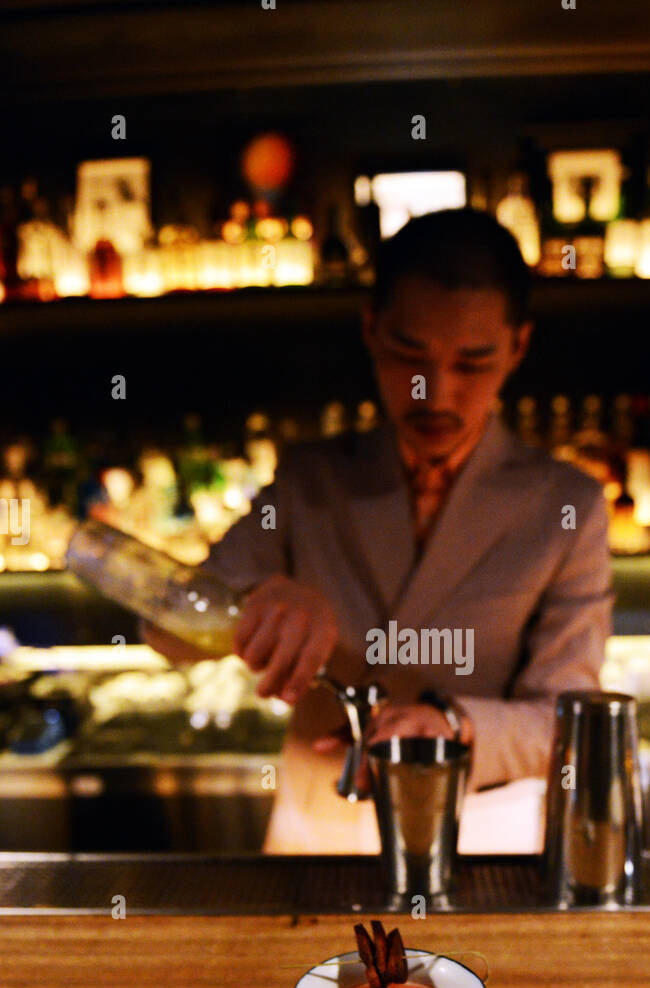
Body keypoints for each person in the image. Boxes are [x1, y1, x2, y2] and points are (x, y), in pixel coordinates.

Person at [141, 209, 613, 850]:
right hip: (320, 826)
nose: (436, 394)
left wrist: (455, 725)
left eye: (473, 362)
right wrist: (252, 600)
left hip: (478, 833)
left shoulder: (568, 504)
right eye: (409, 353)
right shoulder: (311, 482)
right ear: (370, 328)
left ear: (518, 347)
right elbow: (163, 625)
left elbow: (568, 718)